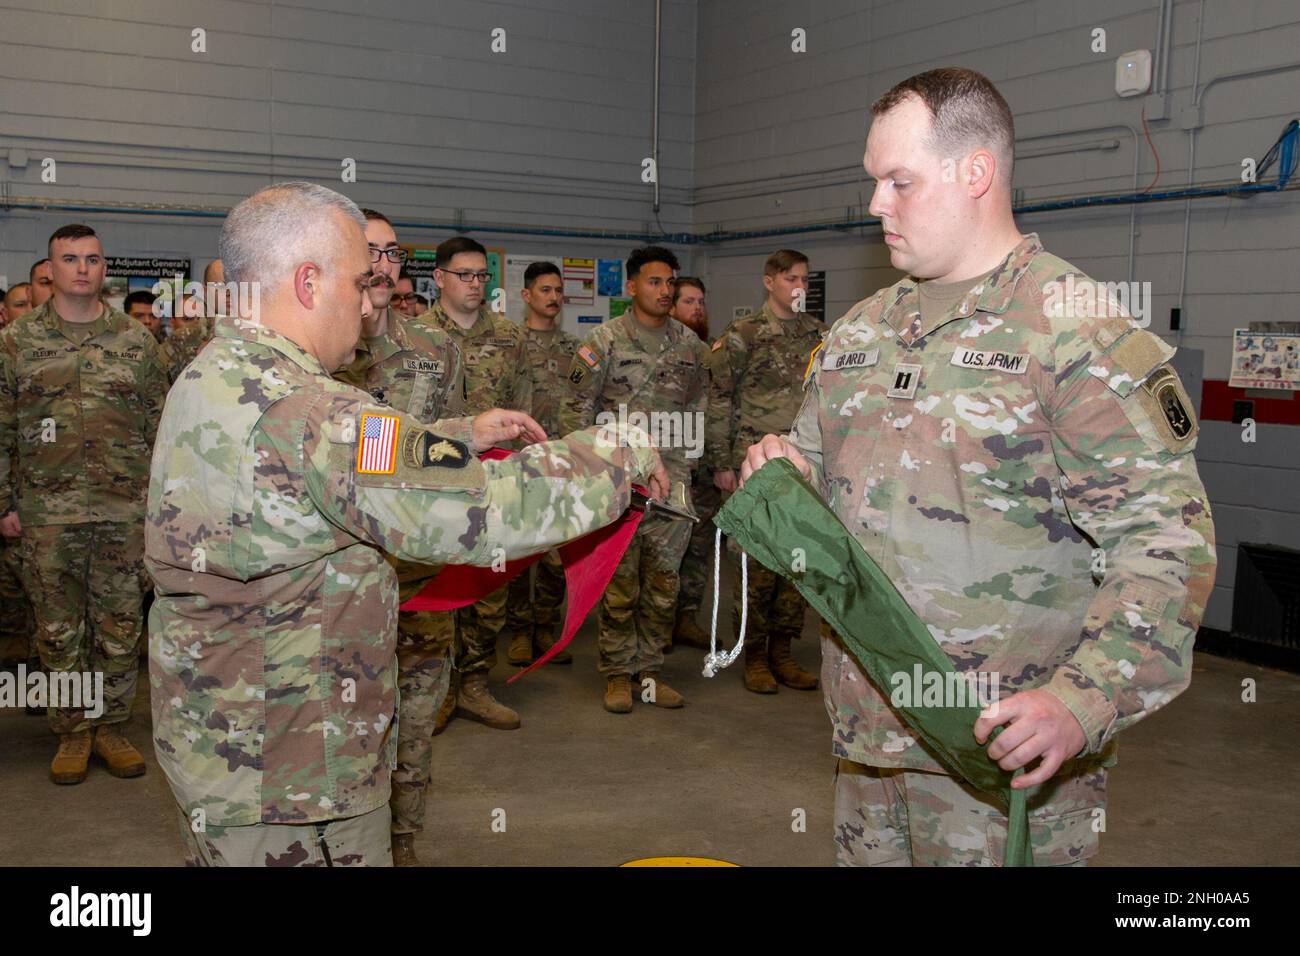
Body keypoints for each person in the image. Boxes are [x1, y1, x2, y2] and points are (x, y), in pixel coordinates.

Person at [741, 67, 1216, 867]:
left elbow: (1169, 547)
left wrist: (1081, 701)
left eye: (899, 181)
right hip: (867, 742)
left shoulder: (1075, 331)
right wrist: (783, 474)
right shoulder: (861, 331)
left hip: (1002, 759)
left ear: (976, 173)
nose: (875, 205)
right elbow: (825, 501)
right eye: (873, 182)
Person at [146, 182, 666, 867]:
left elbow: (351, 472)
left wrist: (455, 435)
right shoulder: (310, 412)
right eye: (360, 283)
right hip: (298, 780)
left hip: (224, 748)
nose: (367, 307)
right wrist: (614, 451)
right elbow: (486, 510)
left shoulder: (213, 376)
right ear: (308, 282)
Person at [0, 224, 168, 784]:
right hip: (46, 515)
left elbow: (159, 425)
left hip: (124, 510)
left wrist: (159, 505)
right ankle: (73, 731)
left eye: (92, 259)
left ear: (104, 269)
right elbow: (1, 426)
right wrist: (5, 502)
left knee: (120, 625)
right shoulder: (17, 342)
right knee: (57, 627)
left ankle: (112, 727)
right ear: (49, 269)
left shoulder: (136, 341)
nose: (82, 269)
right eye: (69, 259)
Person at [332, 208, 465, 867]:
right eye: (369, 251)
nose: (382, 264)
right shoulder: (316, 357)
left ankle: (402, 845)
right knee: (342, 729)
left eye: (391, 252)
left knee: (412, 728)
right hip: (334, 583)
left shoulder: (436, 352)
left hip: (416, 576)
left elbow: (456, 456)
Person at [561, 246, 709, 713]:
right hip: (618, 477)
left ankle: (650, 672)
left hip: (673, 481)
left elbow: (703, 409)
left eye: (670, 283)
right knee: (621, 581)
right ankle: (617, 673)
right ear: (630, 287)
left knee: (665, 583)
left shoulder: (690, 346)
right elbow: (577, 409)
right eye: (654, 282)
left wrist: (695, 464)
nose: (665, 291)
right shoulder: (602, 342)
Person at [419, 237, 528, 730]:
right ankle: (437, 689)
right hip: (431, 482)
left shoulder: (509, 337)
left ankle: (476, 686)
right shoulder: (413, 336)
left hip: (491, 482)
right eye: (464, 275)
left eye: (482, 276)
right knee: (435, 588)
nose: (474, 284)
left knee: (488, 589)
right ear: (439, 278)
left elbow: (525, 411)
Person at [707, 250, 824, 693]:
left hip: (800, 463)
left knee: (796, 562)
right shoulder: (743, 335)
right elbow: (719, 400)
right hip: (751, 464)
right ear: (768, 281)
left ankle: (782, 650)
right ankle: (753, 654)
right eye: (791, 278)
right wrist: (721, 462)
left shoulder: (819, 334)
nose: (799, 287)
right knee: (756, 562)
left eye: (805, 280)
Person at [504, 261, 580, 667]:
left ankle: (546, 627)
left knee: (556, 550)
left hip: (561, 461)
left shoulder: (576, 349)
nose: (553, 297)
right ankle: (518, 630)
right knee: (518, 550)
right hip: (519, 461)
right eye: (545, 290)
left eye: (558, 290)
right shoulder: (511, 343)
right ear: (527, 296)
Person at [668, 277, 716, 651]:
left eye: (700, 301)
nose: (696, 308)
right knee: (668, 547)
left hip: (707, 464)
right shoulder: (668, 351)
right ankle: (661, 620)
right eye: (688, 301)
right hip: (674, 463)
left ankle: (687, 617)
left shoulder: (712, 350)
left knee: (699, 546)